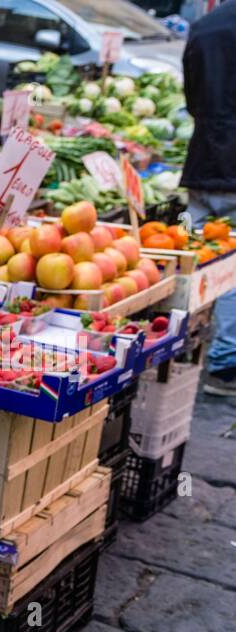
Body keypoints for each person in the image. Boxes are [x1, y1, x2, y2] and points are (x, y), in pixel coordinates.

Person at [182, 0, 236, 396]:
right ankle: (224, 363)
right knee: (232, 267)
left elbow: (192, 97)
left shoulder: (206, 25)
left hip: (204, 156)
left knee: (195, 256)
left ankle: (181, 347)